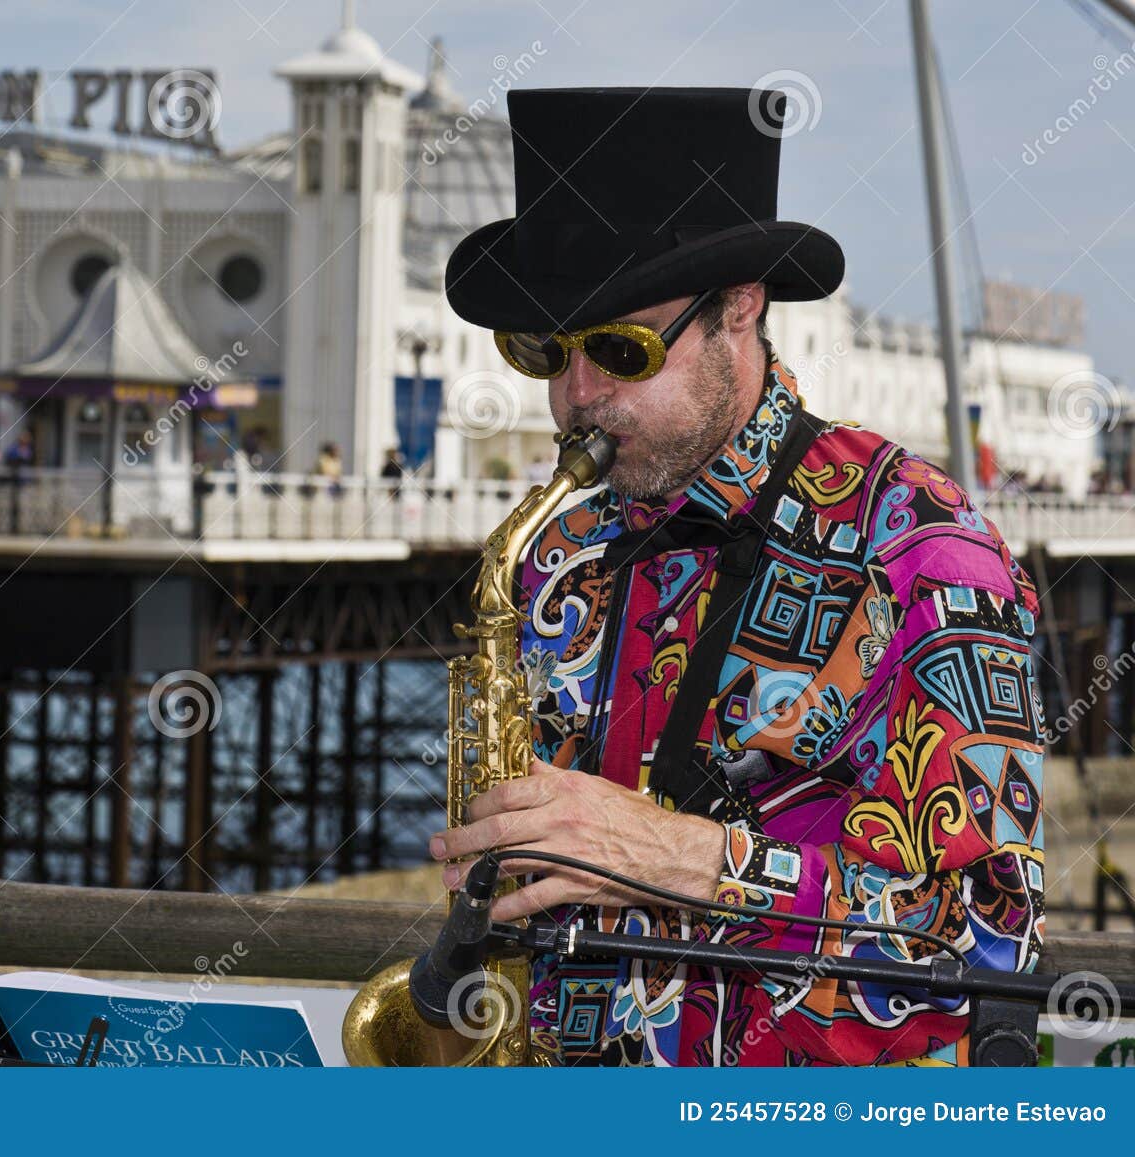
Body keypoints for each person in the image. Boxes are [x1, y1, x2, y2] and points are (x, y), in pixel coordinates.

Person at [429, 87, 1044, 1067]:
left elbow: (983, 933)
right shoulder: (559, 553)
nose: (576, 394)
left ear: (740, 309)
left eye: (621, 348)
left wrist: (680, 859)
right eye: (546, 350)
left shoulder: (924, 548)